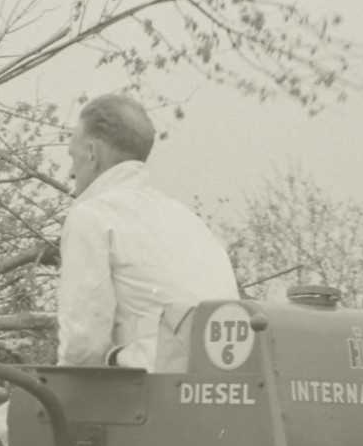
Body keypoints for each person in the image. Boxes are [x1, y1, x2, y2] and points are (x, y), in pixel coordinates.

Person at [55, 93, 239, 368]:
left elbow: (82, 350)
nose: (70, 172)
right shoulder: (189, 220)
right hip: (220, 379)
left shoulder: (91, 216)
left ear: (92, 154)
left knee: (1, 413)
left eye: (73, 155)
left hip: (150, 392)